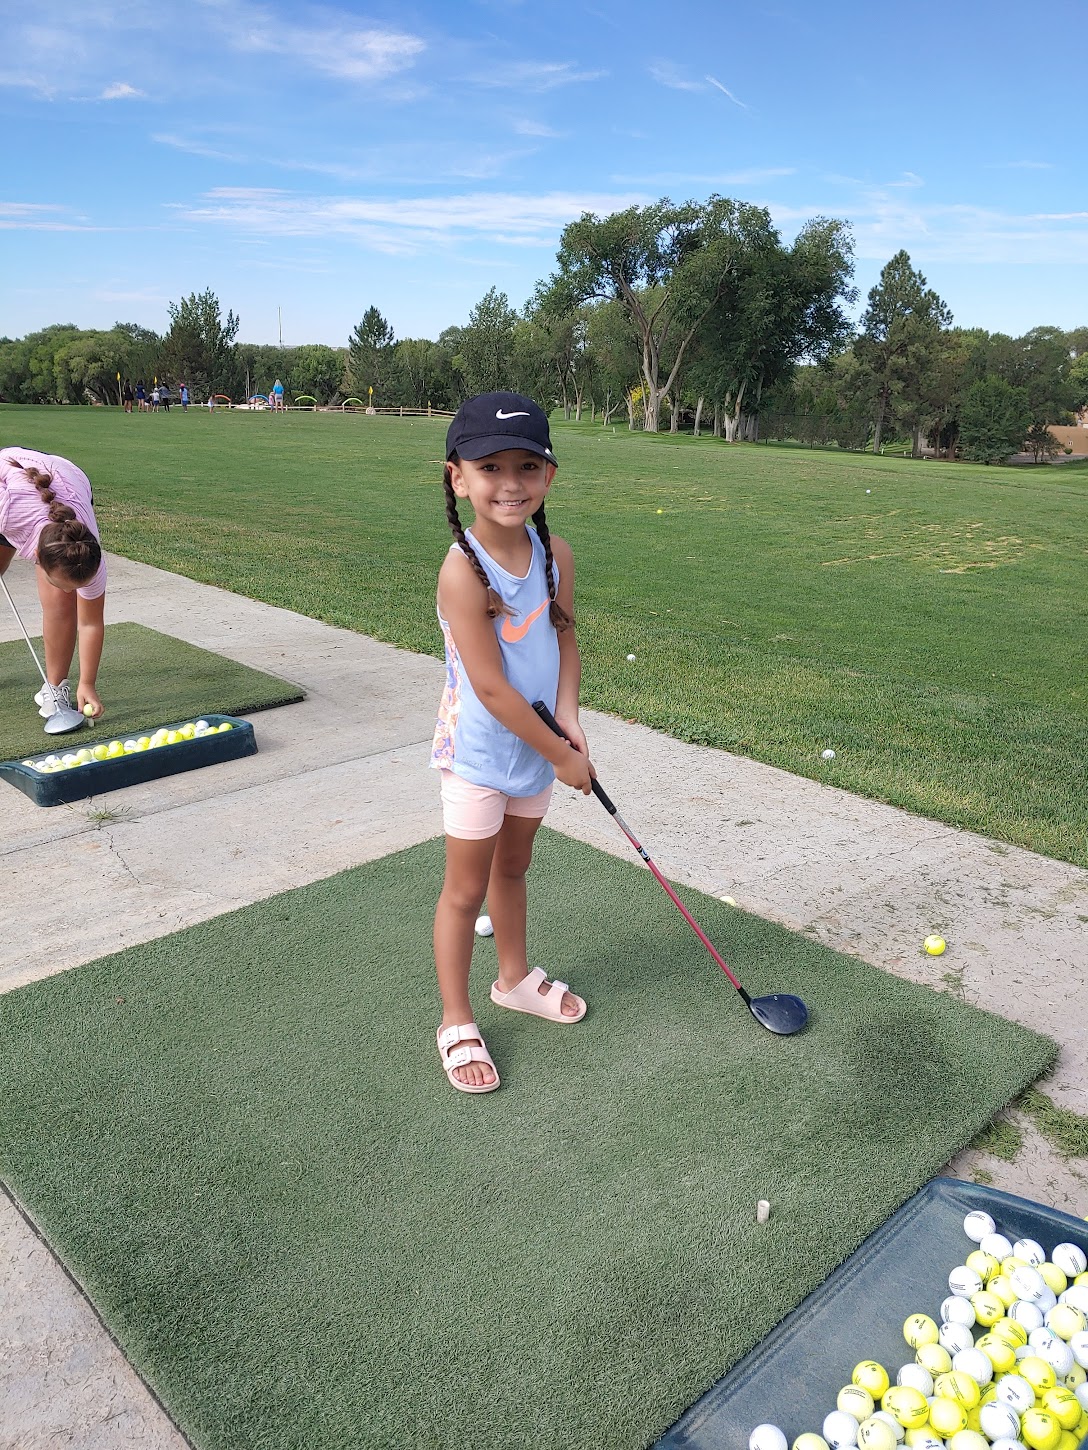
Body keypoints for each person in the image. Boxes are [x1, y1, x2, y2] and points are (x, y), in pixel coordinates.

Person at [430, 392, 594, 1094]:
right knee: (466, 891)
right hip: (479, 753)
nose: (510, 482)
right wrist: (562, 755)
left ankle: (513, 978)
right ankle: (455, 1016)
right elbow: (492, 689)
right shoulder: (462, 573)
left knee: (515, 867)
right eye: (489, 466)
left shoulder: (554, 553)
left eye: (527, 465)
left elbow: (564, 639)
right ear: (457, 478)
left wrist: (570, 721)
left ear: (548, 477)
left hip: (537, 746)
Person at [0, 448, 107, 721]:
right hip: (9, 482)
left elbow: (90, 623)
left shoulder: (88, 553)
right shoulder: (7, 508)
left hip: (68, 478)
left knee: (59, 603)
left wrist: (88, 683)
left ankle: (55, 687)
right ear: (37, 557)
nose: (74, 593)